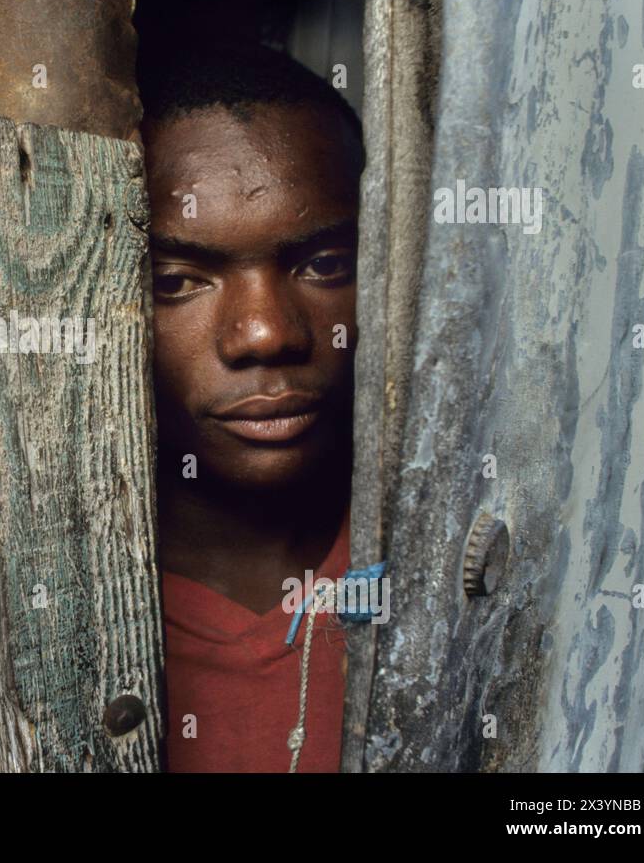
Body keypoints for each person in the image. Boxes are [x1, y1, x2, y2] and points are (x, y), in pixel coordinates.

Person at [140, 41, 364, 772]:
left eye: (324, 265)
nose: (266, 332)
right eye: (178, 280)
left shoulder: (460, 569)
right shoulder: (46, 619)